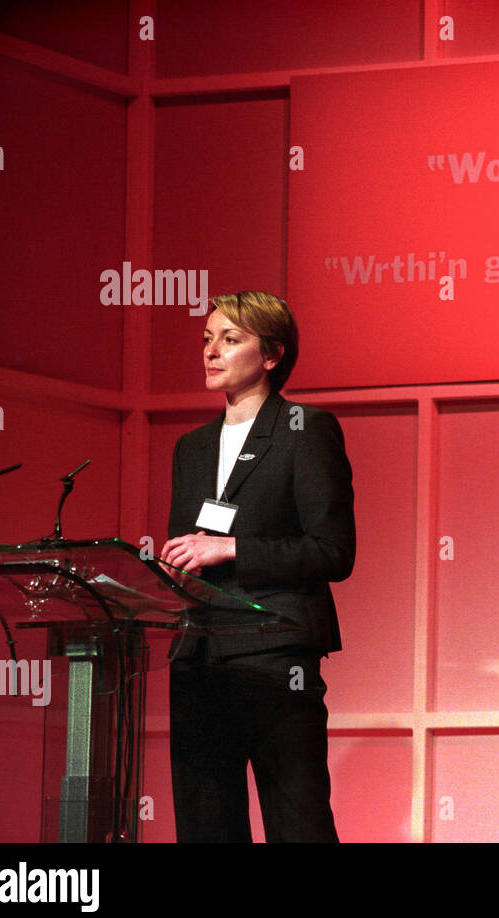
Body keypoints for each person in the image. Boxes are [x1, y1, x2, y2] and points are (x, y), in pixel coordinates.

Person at [160, 290, 355, 842]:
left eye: (230, 338)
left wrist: (233, 547)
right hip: (199, 653)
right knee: (205, 825)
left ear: (271, 355)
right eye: (206, 338)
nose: (210, 351)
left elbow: (333, 550)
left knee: (298, 824)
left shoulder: (306, 430)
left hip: (275, 654)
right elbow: (189, 547)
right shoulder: (190, 447)